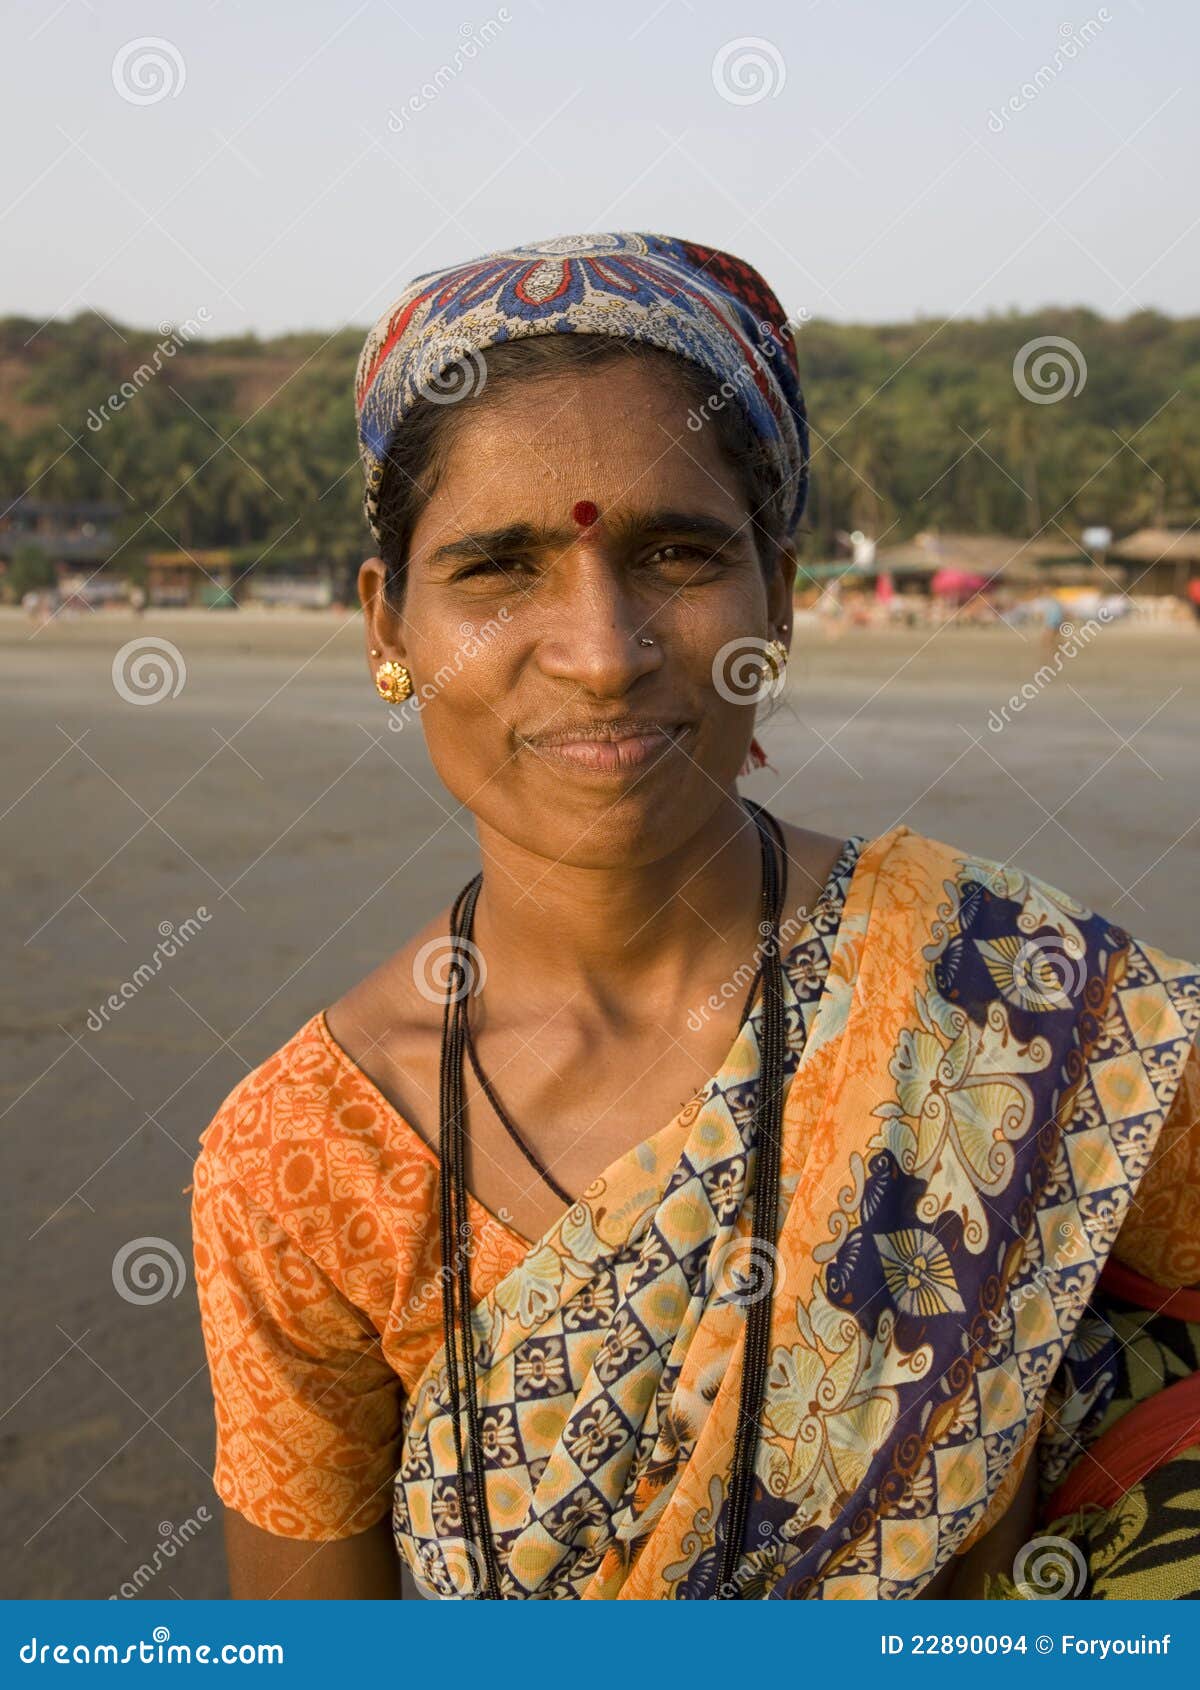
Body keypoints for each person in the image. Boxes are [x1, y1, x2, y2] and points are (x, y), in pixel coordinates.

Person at [191, 232, 1200, 1602]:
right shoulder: (302, 1164)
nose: (603, 652)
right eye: (499, 569)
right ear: (388, 626)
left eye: (677, 553)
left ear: (775, 597)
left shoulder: (1012, 999)